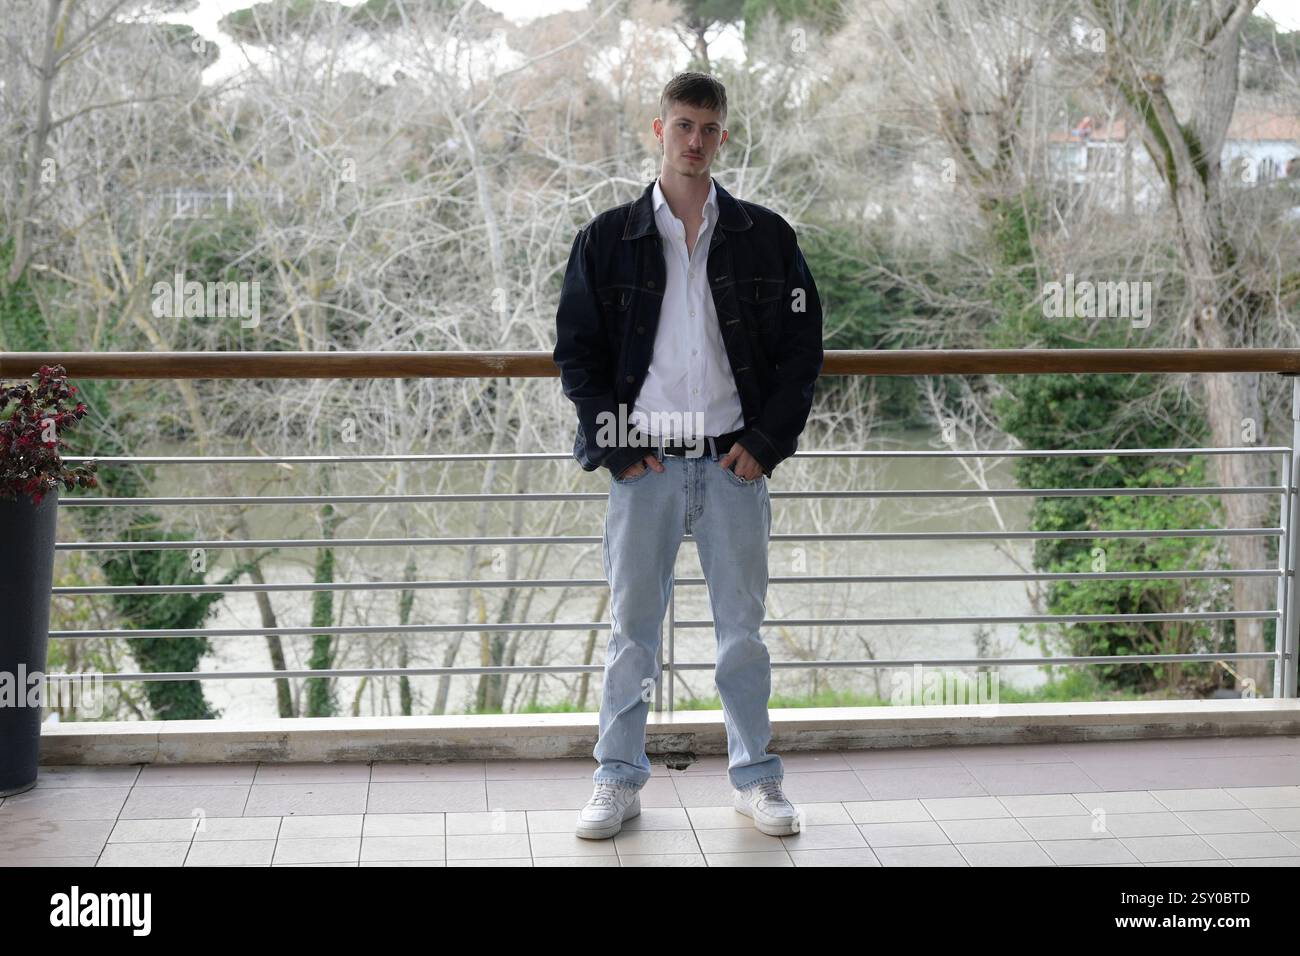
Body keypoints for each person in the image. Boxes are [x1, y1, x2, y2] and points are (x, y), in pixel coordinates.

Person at [552, 71, 824, 840]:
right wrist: (616, 449)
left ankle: (757, 780)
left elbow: (804, 351)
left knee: (742, 632)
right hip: (647, 469)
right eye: (682, 126)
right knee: (632, 631)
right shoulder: (607, 239)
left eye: (707, 128)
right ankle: (617, 779)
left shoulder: (766, 236)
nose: (694, 141)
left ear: (723, 136)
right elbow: (577, 356)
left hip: (734, 465)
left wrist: (765, 445)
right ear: (658, 130)